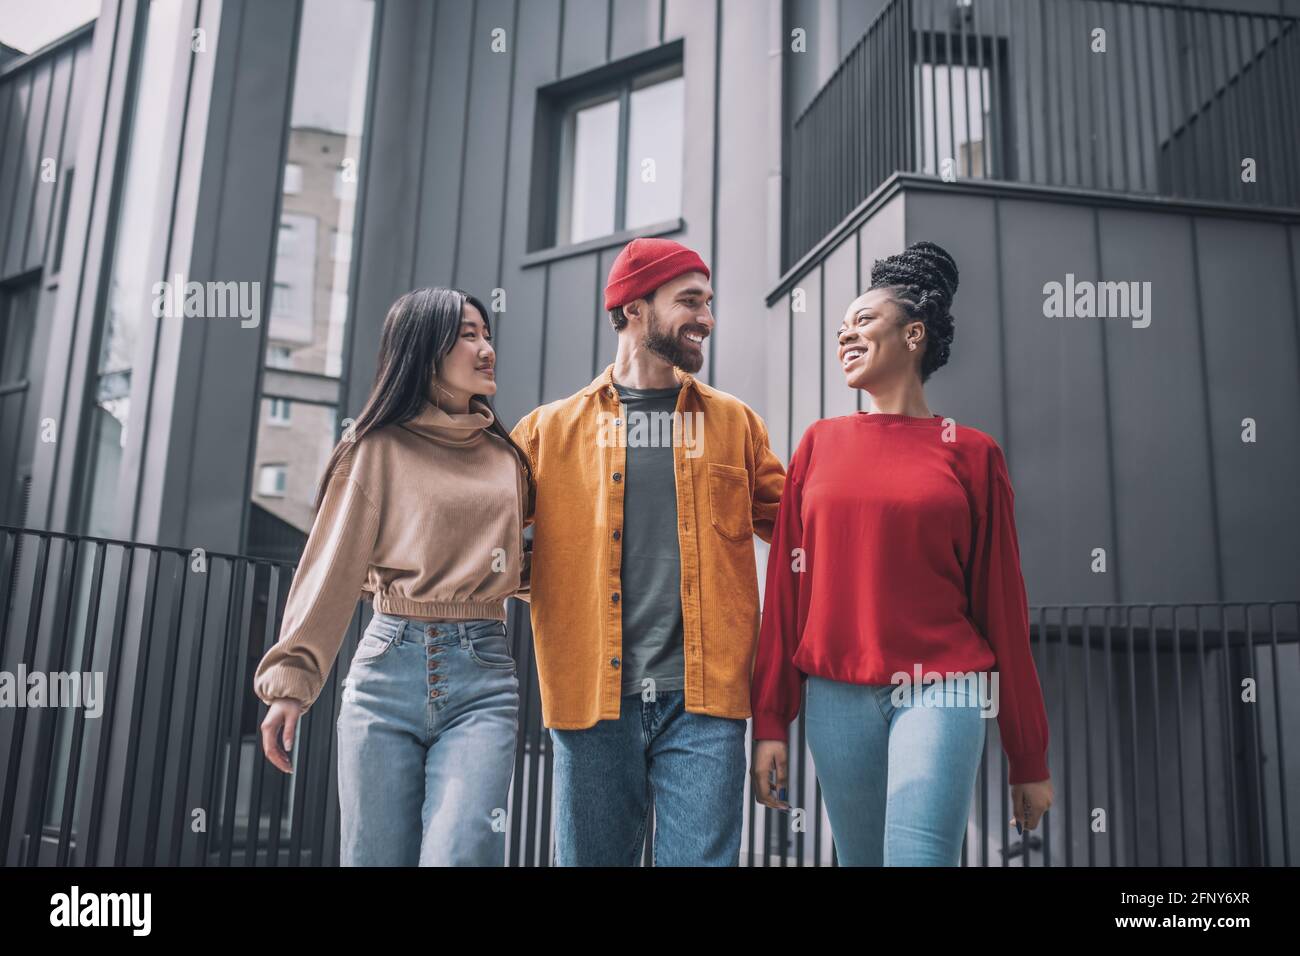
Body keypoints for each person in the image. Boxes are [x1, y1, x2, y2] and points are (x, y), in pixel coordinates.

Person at [750, 240, 1053, 866]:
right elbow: (785, 592)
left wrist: (1028, 756)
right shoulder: (818, 444)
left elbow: (1003, 608)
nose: (845, 334)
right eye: (841, 326)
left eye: (863, 320)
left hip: (942, 686)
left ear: (913, 335)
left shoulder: (973, 454)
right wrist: (771, 720)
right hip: (836, 694)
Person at [510, 237, 786, 865]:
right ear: (634, 308)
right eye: (689, 301)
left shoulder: (735, 424)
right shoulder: (547, 432)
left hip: (704, 704)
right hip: (591, 699)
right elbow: (486, 545)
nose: (706, 317)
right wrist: (553, 581)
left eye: (709, 302)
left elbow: (806, 532)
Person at [253, 287, 530, 866]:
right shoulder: (375, 449)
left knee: (462, 852)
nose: (487, 349)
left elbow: (525, 565)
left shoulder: (507, 459)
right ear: (424, 351)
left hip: (483, 678)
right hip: (385, 674)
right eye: (468, 335)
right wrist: (290, 687)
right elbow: (331, 571)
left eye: (487, 334)